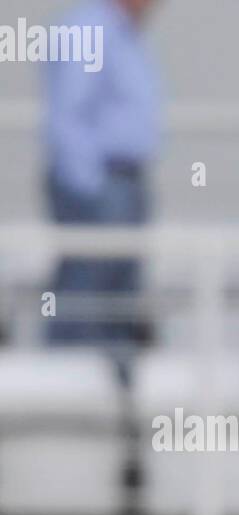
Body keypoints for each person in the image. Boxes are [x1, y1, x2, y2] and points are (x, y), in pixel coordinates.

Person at [45, 0, 161, 354]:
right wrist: (91, 190)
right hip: (101, 185)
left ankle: (110, 390)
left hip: (124, 182)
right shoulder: (89, 29)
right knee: (87, 294)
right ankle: (66, 389)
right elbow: (67, 116)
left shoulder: (122, 33)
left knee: (117, 297)